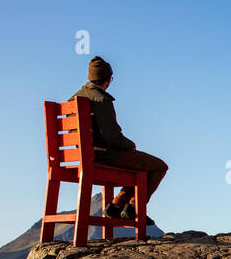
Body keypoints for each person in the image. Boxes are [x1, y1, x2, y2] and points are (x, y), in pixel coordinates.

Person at [70, 56, 168, 225]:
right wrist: (130, 146)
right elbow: (112, 137)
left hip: (79, 156)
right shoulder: (101, 100)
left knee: (140, 165)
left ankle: (117, 207)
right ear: (107, 80)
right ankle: (133, 208)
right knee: (158, 166)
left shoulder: (73, 99)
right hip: (103, 157)